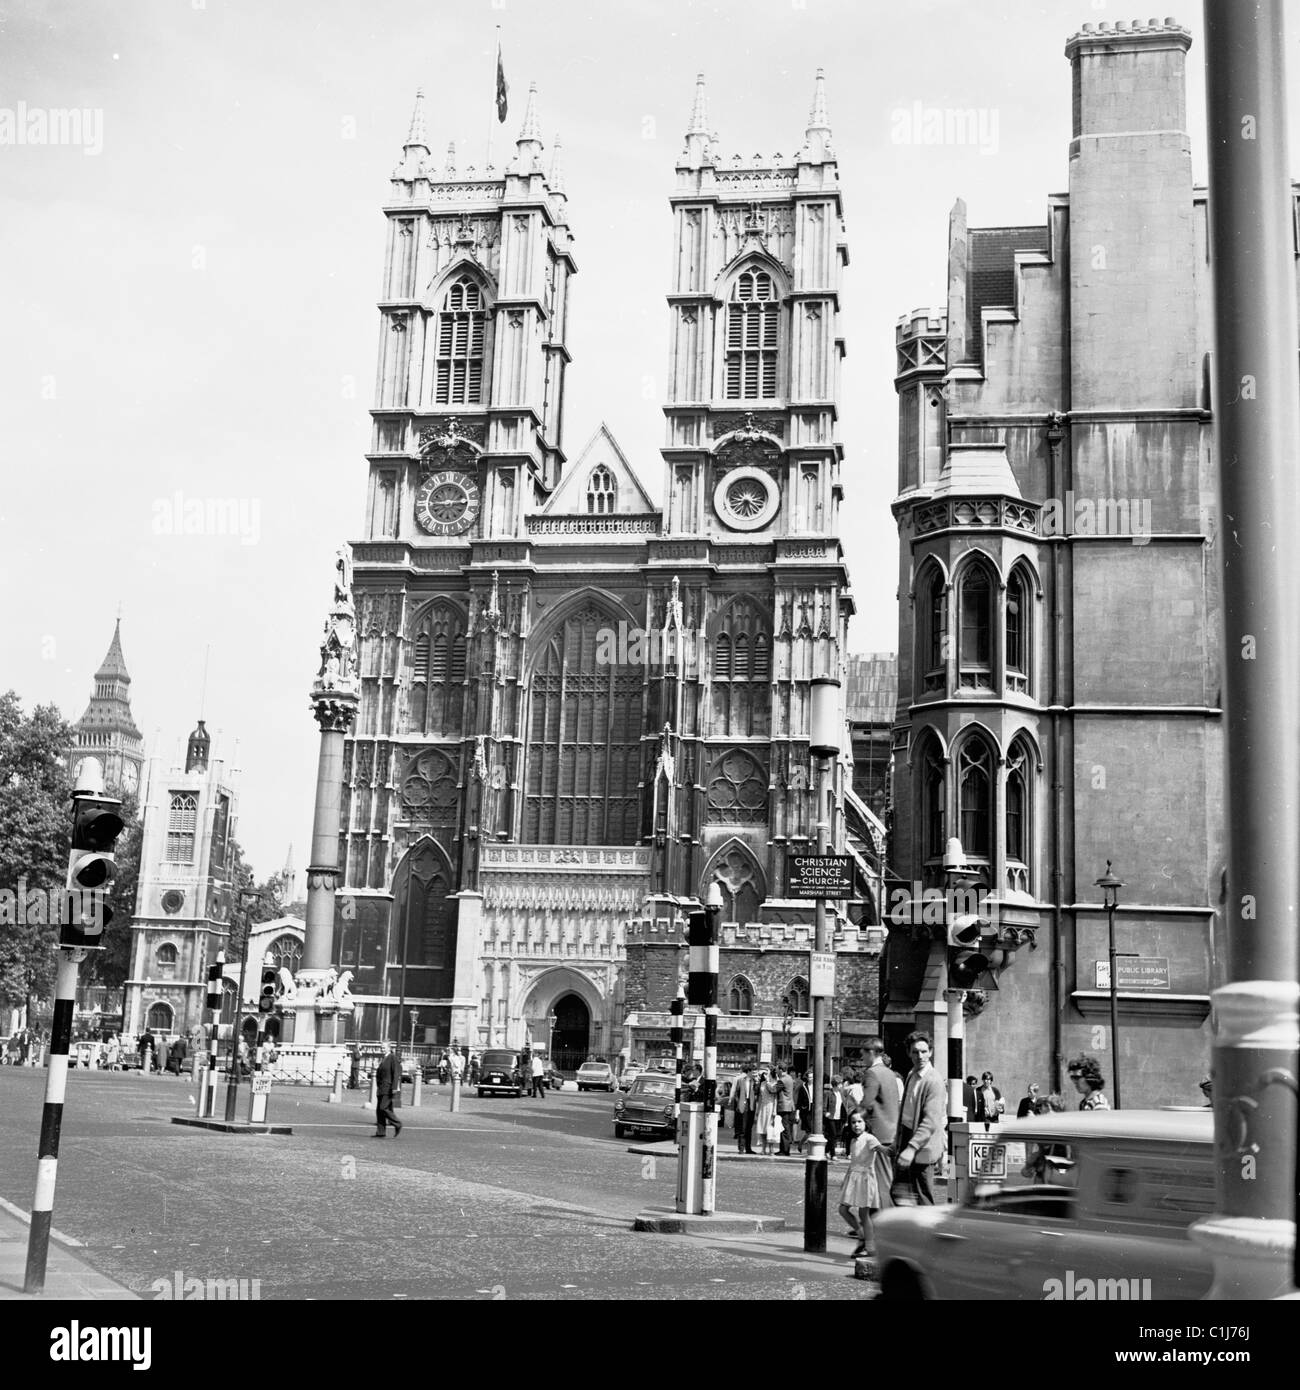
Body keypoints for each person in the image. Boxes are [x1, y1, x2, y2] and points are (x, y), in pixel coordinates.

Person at [893, 1031, 947, 1206]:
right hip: (907, 1139)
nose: (920, 1056)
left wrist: (911, 1148)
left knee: (922, 1196)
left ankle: (928, 1231)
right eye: (915, 1052)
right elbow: (906, 1112)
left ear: (930, 1052)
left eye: (924, 1051)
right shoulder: (911, 1075)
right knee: (898, 1192)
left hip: (923, 1146)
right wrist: (898, 1141)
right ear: (909, 1053)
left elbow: (930, 1121)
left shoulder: (933, 1080)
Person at [838, 1108, 884, 1258]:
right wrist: (845, 1180)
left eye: (859, 1121)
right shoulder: (852, 1140)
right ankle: (861, 1235)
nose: (856, 1125)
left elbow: (881, 1149)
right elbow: (852, 1163)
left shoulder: (870, 1138)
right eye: (853, 1122)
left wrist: (890, 1148)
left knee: (864, 1213)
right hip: (853, 1178)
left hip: (865, 1178)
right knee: (843, 1209)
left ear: (866, 1123)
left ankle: (869, 1247)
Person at [859, 1037, 899, 1203]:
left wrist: (855, 1117)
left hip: (878, 1134)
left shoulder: (872, 1073)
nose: (862, 1059)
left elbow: (867, 1103)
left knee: (880, 1181)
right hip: (892, 1132)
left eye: (863, 1054)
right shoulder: (890, 1073)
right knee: (885, 1178)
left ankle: (883, 1223)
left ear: (871, 1053)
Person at [373, 1043, 403, 1138]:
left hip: (388, 1087)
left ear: (389, 1048)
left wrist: (394, 1087)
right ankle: (381, 1132)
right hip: (381, 1088)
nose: (382, 1049)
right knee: (379, 1110)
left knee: (383, 1108)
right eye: (381, 1047)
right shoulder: (383, 1059)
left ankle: (397, 1123)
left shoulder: (392, 1058)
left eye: (383, 1047)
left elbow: (396, 1073)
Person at [754, 1068, 779, 1156]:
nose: (765, 1074)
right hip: (763, 1107)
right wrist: (758, 1109)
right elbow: (760, 1097)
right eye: (763, 1072)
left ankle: (771, 1150)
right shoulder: (762, 1083)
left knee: (770, 1129)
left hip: (770, 1106)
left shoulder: (774, 1083)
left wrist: (774, 1110)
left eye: (766, 1072)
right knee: (763, 1129)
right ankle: (763, 1149)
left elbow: (775, 1097)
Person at [732, 1067, 755, 1153]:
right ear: (748, 1072)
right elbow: (736, 1093)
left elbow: (757, 1092)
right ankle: (741, 1148)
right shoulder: (741, 1081)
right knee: (742, 1127)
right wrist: (738, 1104)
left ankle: (748, 1148)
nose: (754, 1074)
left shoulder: (754, 1082)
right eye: (753, 1072)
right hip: (743, 1104)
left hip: (751, 1105)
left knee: (749, 1127)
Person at [823, 1072, 845, 1159]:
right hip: (831, 1117)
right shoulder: (828, 1093)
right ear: (836, 1084)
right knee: (833, 1135)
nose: (842, 1085)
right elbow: (824, 1105)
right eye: (840, 1083)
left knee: (836, 1135)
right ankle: (833, 1154)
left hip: (839, 1117)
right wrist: (825, 1113)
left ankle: (826, 1150)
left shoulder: (841, 1094)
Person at [776, 1066, 797, 1154]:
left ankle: (784, 1150)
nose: (776, 1071)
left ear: (781, 1070)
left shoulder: (782, 1080)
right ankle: (784, 1149)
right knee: (787, 1128)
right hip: (790, 1106)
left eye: (777, 1069)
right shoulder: (790, 1078)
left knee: (784, 1129)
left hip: (784, 1106)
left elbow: (774, 1090)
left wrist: (768, 1083)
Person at [794, 1070, 815, 1153]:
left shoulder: (816, 1086)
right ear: (807, 1078)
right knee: (809, 1130)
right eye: (810, 1077)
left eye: (812, 1077)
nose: (811, 1079)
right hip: (806, 1111)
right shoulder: (803, 1087)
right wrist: (797, 1113)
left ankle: (802, 1144)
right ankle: (805, 1146)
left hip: (814, 1110)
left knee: (811, 1131)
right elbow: (799, 1101)